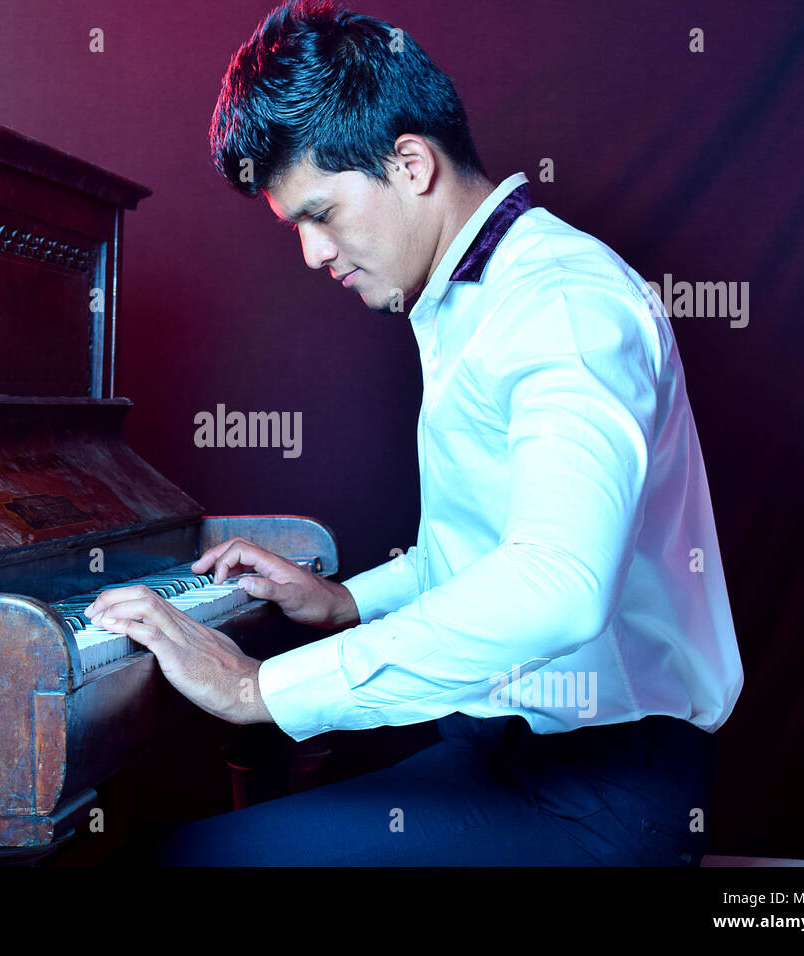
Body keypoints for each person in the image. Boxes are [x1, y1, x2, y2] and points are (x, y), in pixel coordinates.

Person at [84, 0, 743, 865]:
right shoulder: (476, 294)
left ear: (410, 163)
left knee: (181, 861)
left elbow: (557, 582)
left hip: (606, 797)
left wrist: (258, 686)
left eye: (320, 215)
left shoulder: (560, 303)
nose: (314, 256)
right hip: (506, 750)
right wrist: (346, 601)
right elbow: (494, 553)